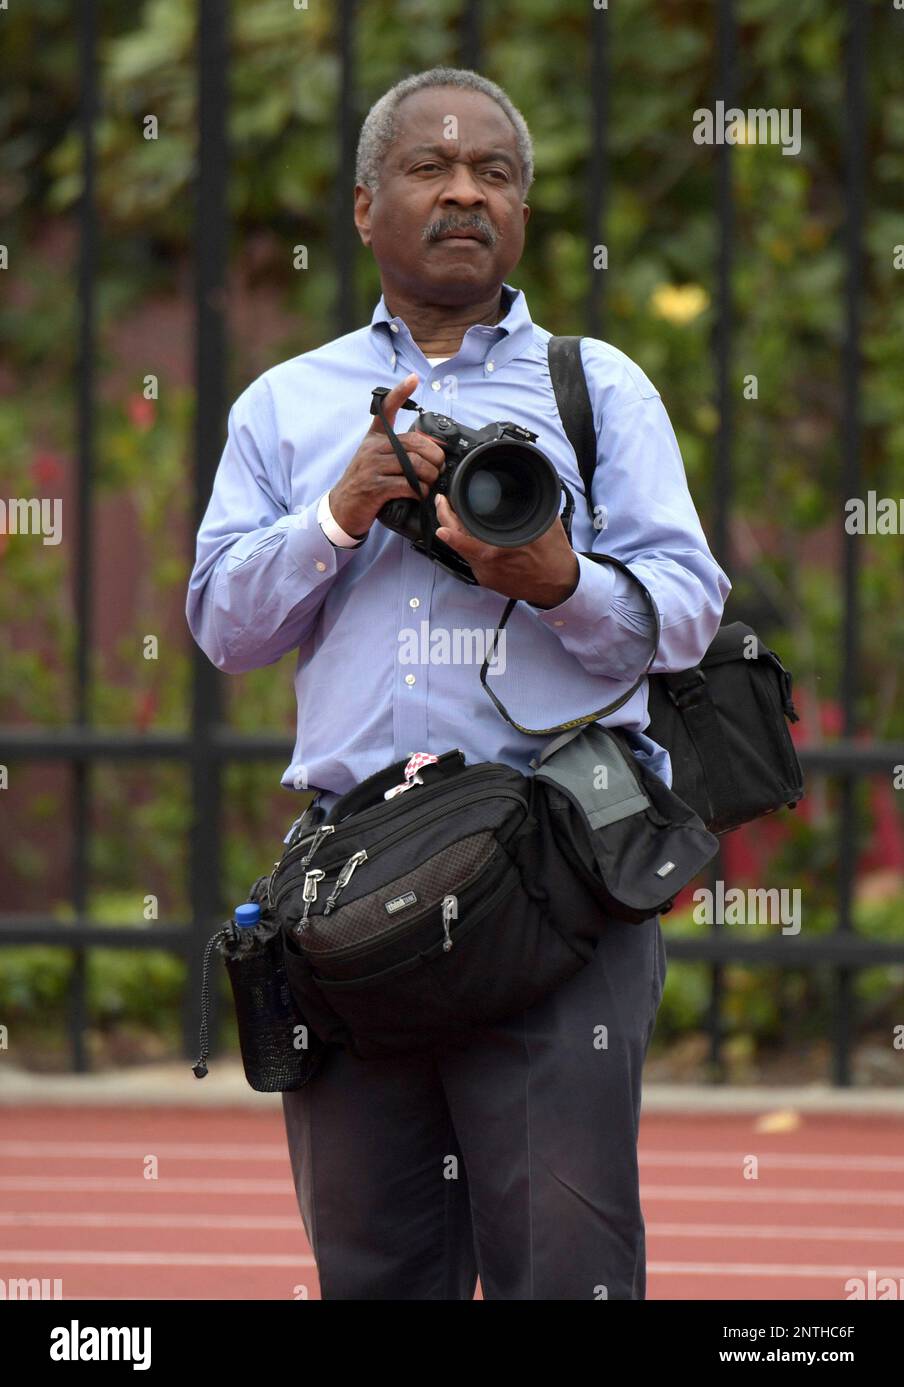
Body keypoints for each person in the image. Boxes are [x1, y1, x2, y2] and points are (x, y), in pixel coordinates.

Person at [186, 67, 731, 1300]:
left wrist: (555, 578)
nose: (463, 193)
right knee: (376, 1270)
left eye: (493, 173)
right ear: (366, 206)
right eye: (430, 170)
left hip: (559, 884)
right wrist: (339, 510)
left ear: (524, 214)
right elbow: (222, 627)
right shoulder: (287, 405)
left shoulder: (599, 391)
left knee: (565, 1270)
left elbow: (689, 611)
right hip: (354, 896)